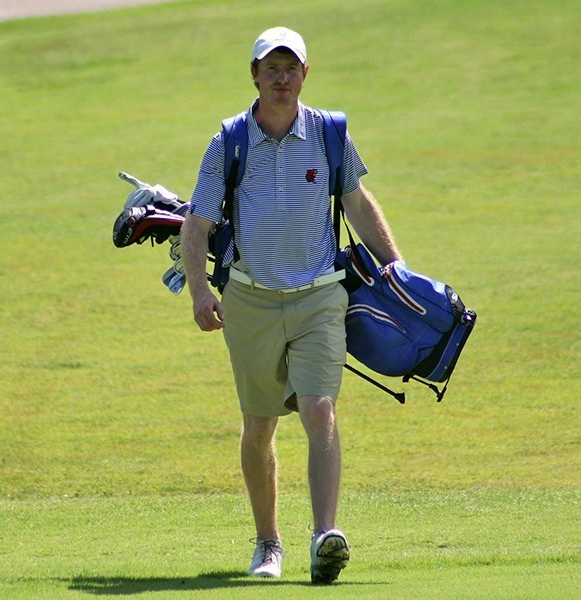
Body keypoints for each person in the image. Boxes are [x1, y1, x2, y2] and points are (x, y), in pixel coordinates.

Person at [180, 26, 402, 585]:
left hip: (320, 296)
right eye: (271, 68)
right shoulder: (228, 140)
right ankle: (268, 543)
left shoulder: (329, 133)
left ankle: (325, 535)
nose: (281, 78)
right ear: (254, 75)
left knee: (319, 408)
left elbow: (356, 202)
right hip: (249, 299)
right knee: (259, 425)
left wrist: (397, 269)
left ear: (305, 73)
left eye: (290, 68)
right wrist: (201, 290)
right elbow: (197, 223)